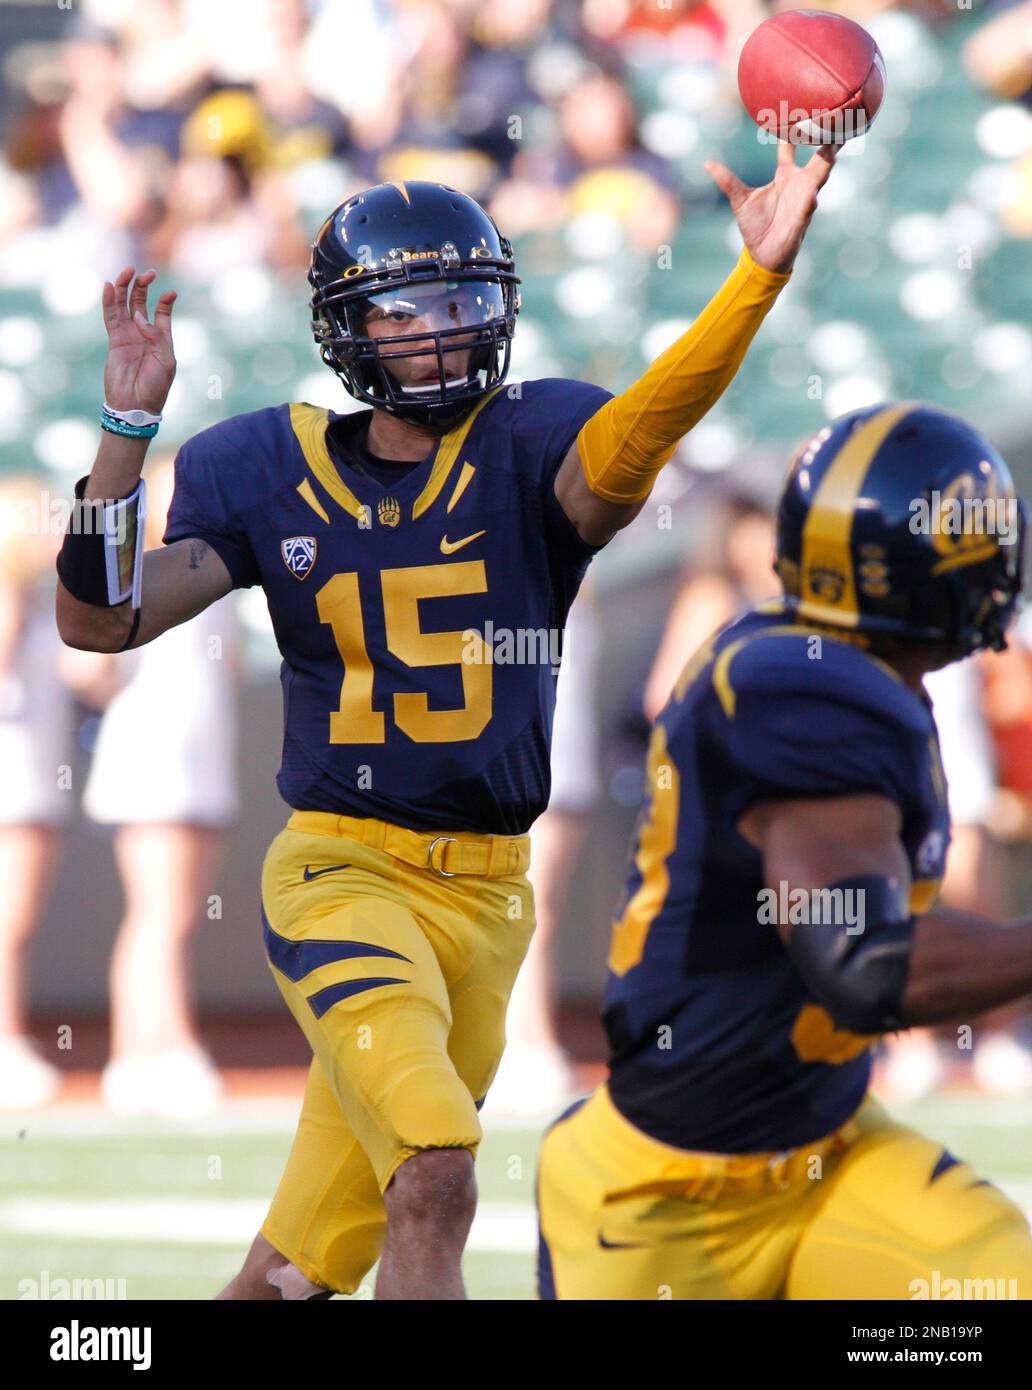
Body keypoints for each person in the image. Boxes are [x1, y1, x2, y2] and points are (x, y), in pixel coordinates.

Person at [56, 146, 835, 1300]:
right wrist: (126, 425)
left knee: (295, 1272)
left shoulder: (533, 448)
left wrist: (752, 281)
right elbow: (99, 620)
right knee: (433, 1173)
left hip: (489, 898)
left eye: (467, 303)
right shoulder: (263, 464)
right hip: (343, 871)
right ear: (345, 329)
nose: (445, 333)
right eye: (410, 310)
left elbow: (646, 426)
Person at [537, 401, 1032, 1300]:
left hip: (827, 1152)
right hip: (667, 1193)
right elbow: (864, 961)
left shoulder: (838, 668)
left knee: (992, 1294)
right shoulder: (808, 689)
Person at [65, 458, 238, 1118]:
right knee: (159, 913)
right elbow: (83, 669)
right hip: (151, 763)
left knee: (179, 913)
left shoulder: (214, 574)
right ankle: (151, 1054)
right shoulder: (125, 572)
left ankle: (151, 1052)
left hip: (200, 763)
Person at [0, 476, 73, 1108]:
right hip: (15, 782)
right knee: (9, 920)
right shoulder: (8, 598)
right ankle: (6, 1040)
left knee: (15, 920)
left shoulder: (33, 601)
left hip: (34, 779)